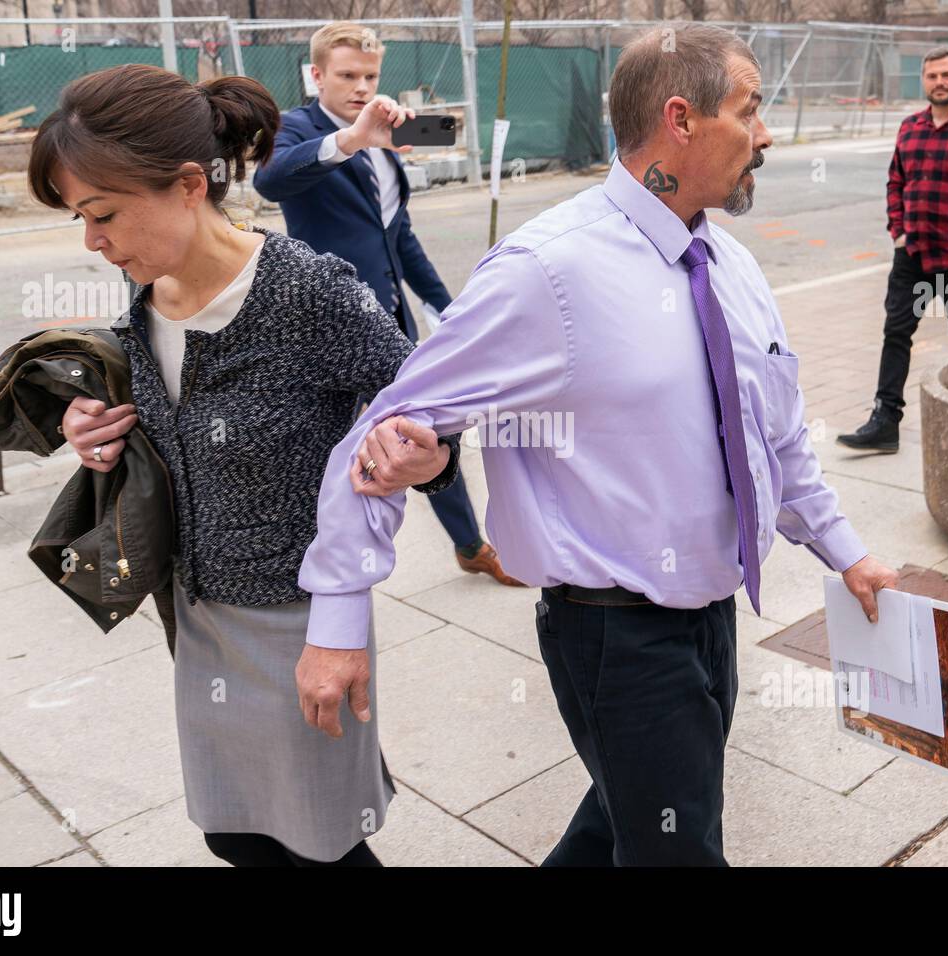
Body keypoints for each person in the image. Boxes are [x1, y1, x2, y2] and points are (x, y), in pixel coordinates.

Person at [293, 25, 900, 866]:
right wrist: (336, 620)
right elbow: (386, 429)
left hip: (711, 618)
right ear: (681, 120)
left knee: (621, 824)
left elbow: (778, 434)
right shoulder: (548, 272)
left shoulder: (728, 264)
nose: (764, 135)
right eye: (751, 112)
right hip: (616, 637)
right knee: (676, 848)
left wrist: (847, 553)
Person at [27, 63, 460, 867]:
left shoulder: (309, 292)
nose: (91, 241)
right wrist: (93, 425)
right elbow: (163, 428)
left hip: (299, 622)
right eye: (81, 220)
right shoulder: (148, 300)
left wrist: (425, 460)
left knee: (319, 846)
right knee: (233, 832)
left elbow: (428, 422)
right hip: (196, 616)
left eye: (103, 214)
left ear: (189, 184)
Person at [252, 21, 522, 588]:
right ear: (317, 74)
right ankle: (304, 569)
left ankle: (471, 544)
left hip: (385, 320)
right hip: (319, 325)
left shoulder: (386, 140)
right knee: (317, 450)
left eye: (370, 75)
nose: (360, 86)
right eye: (347, 75)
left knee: (423, 429)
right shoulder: (300, 129)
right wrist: (350, 139)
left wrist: (450, 311)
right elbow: (272, 182)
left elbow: (397, 238)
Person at [837, 47, 948, 453]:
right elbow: (896, 182)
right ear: (924, 80)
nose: (939, 82)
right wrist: (898, 231)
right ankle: (885, 421)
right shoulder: (910, 127)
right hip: (913, 255)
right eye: (932, 76)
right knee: (896, 334)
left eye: (947, 75)